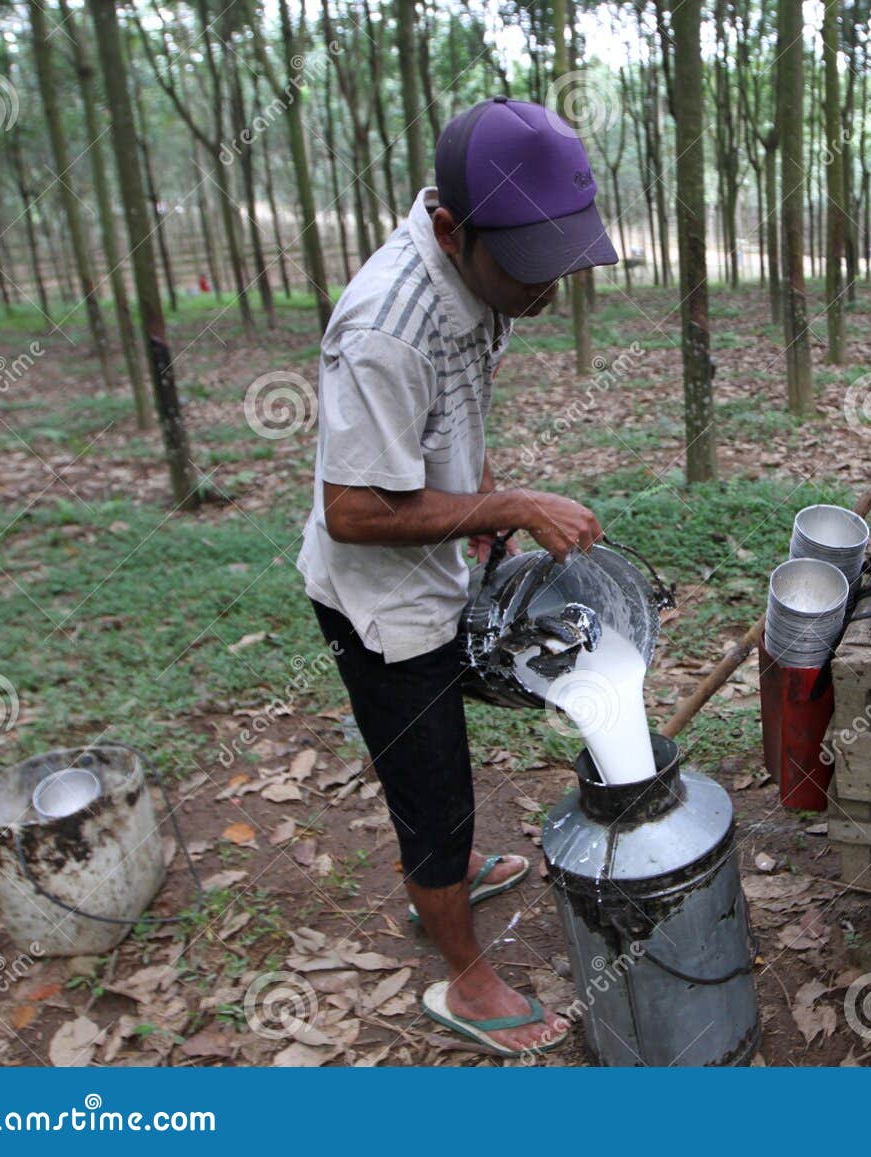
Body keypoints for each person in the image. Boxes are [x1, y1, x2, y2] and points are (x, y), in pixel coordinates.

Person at [296, 97, 616, 1058]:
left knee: (446, 769)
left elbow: (454, 409)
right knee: (430, 787)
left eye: (557, 262)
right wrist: (507, 503)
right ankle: (467, 978)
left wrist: (480, 498)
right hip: (379, 603)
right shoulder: (384, 330)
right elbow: (353, 510)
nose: (544, 287)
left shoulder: (485, 284)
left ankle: (456, 864)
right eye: (527, 266)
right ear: (450, 231)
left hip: (431, 562)